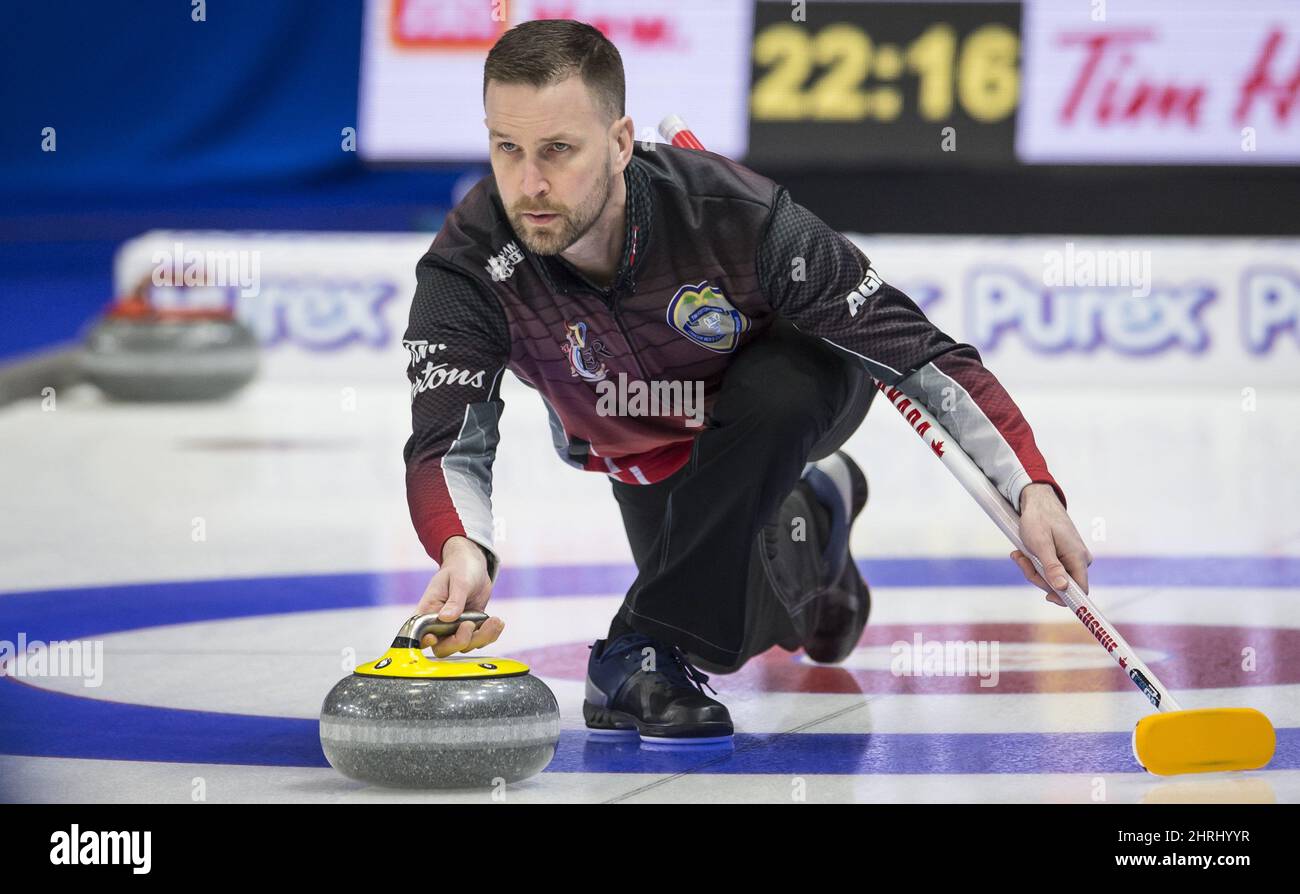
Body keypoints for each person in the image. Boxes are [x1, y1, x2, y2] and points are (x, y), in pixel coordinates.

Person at [402, 19, 1091, 744]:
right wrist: (463, 549)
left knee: (768, 412)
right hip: (642, 438)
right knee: (716, 629)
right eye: (507, 149)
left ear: (620, 141)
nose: (529, 184)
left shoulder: (736, 217)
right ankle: (816, 521)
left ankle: (636, 644)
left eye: (558, 151)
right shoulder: (467, 268)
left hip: (789, 393)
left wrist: (1031, 488)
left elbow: (916, 351)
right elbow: (448, 443)